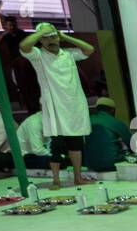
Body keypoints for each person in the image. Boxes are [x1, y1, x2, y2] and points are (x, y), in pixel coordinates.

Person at [18, 22, 94, 189]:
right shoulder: (38, 56)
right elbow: (24, 46)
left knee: (76, 143)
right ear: (40, 41)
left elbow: (89, 49)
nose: (50, 40)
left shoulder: (68, 54)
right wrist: (42, 33)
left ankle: (78, 177)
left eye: (52, 37)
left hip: (74, 106)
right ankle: (56, 180)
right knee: (57, 145)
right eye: (45, 38)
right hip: (55, 107)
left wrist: (64, 36)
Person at [0, 1, 40, 113]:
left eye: (9, 25)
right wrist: (4, 33)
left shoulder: (21, 33)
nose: (8, 27)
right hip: (16, 61)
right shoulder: (7, 35)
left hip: (25, 60)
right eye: (6, 25)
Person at [82, 97, 130, 172]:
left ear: (97, 109)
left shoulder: (87, 121)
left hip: (90, 164)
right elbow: (132, 144)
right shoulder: (116, 122)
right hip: (111, 164)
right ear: (112, 110)